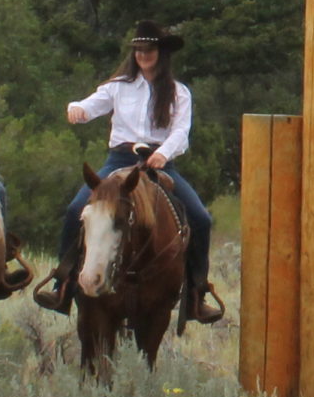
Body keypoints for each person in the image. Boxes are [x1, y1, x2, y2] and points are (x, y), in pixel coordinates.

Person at [33, 21, 223, 324]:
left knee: (200, 218)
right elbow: (91, 105)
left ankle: (197, 294)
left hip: (160, 163)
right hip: (119, 160)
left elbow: (181, 132)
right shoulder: (118, 87)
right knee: (75, 210)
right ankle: (64, 283)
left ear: (161, 53)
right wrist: (76, 108)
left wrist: (162, 153)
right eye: (139, 50)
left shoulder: (178, 92)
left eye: (149, 49)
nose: (143, 55)